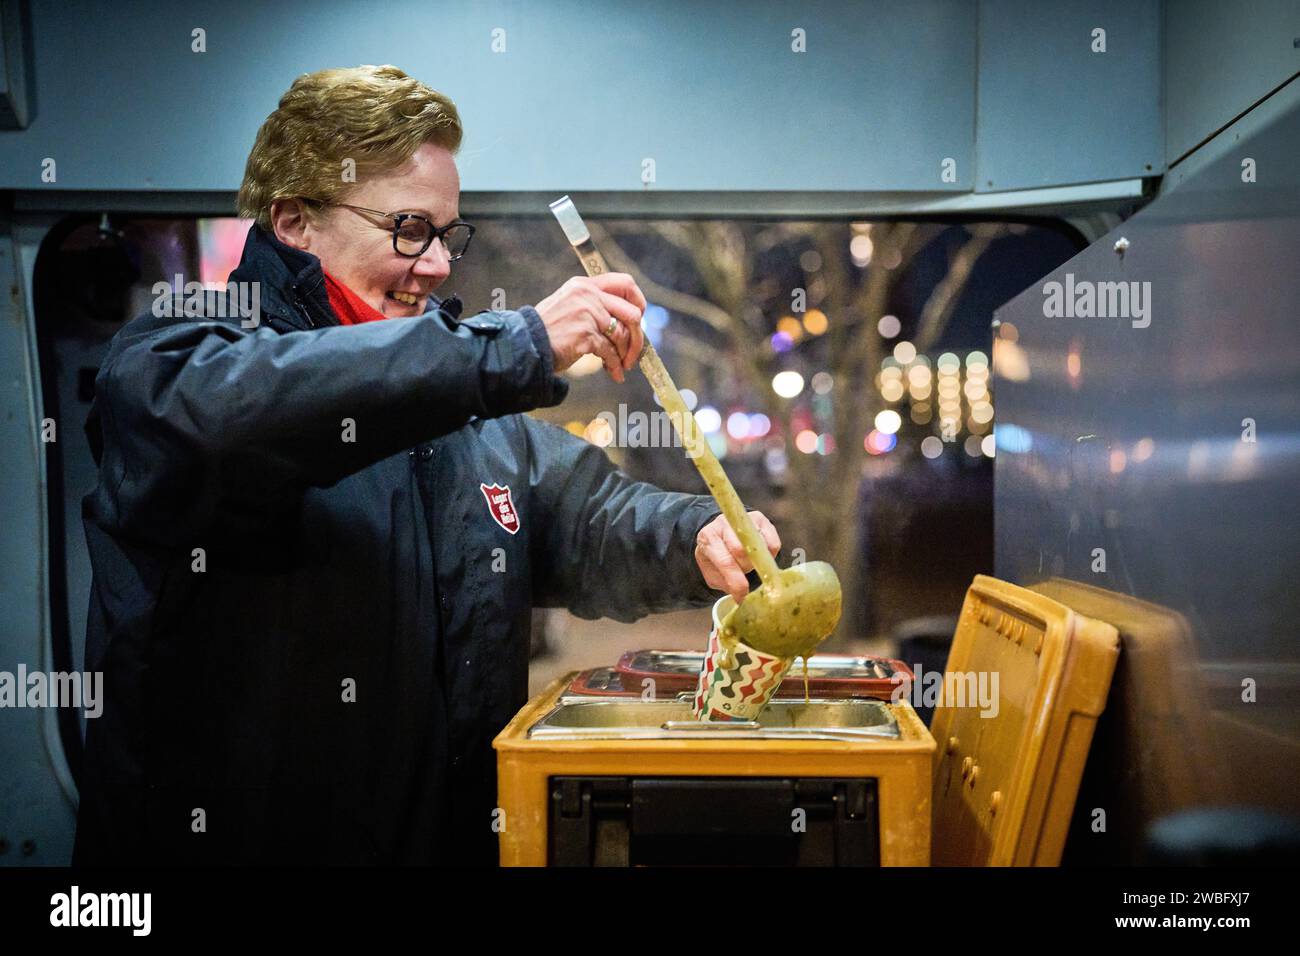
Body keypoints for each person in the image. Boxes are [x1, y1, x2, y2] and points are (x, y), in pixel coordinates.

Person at [73, 65, 782, 866]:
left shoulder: (452, 409)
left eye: (447, 234)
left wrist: (696, 535)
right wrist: (513, 344)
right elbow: (269, 405)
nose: (439, 264)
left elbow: (583, 514)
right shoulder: (175, 366)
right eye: (409, 228)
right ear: (294, 220)